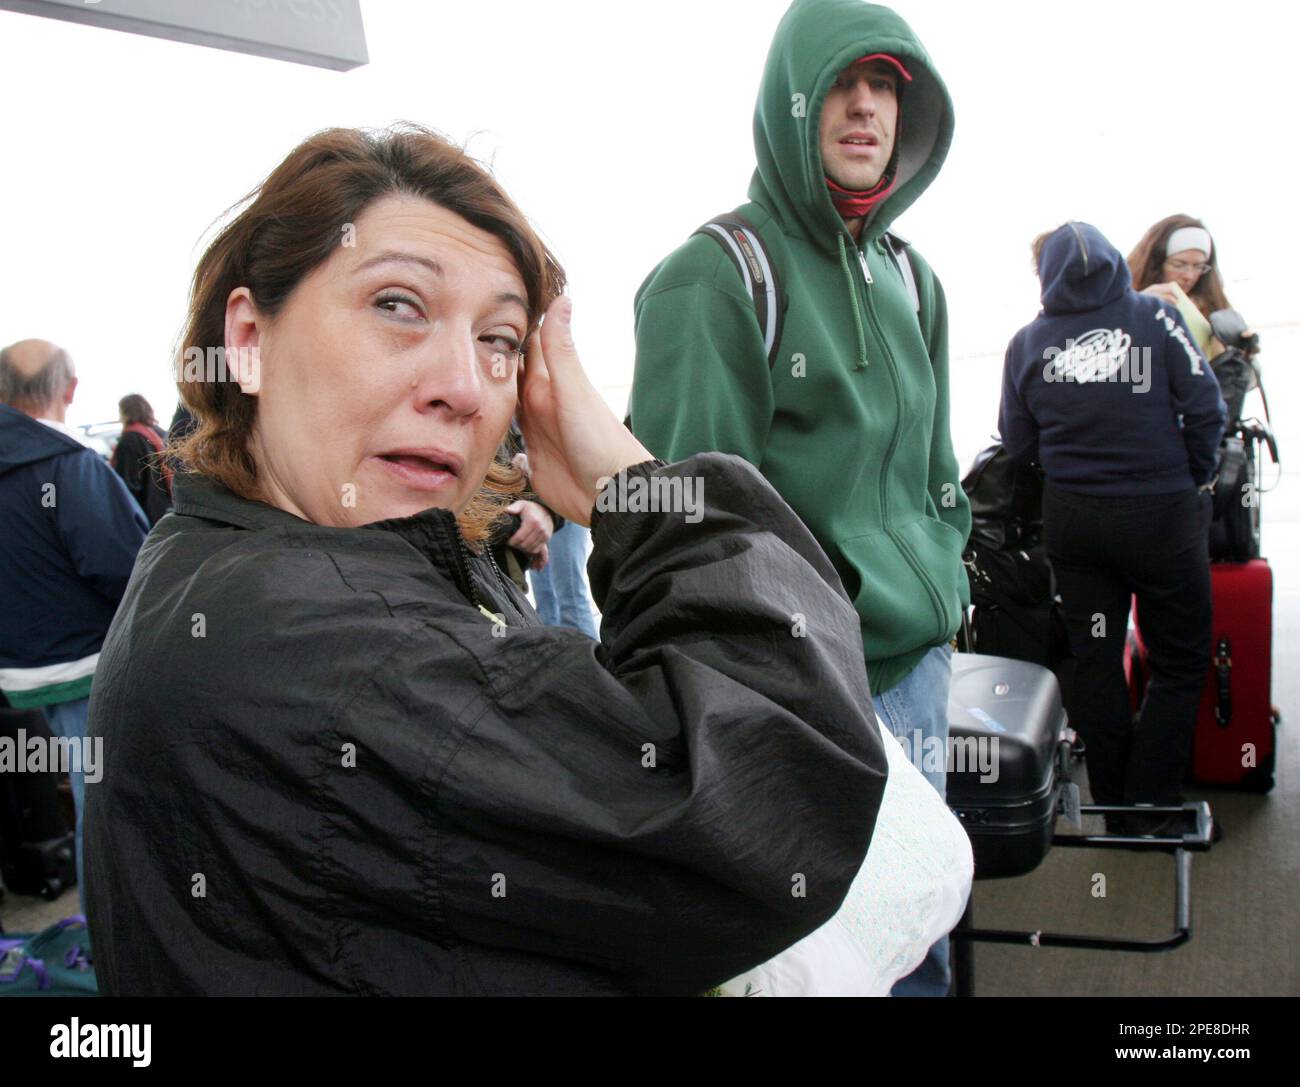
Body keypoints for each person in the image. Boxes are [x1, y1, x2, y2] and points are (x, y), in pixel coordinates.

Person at [84, 124, 892, 996]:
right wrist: (632, 482)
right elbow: (775, 801)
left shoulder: (235, 556)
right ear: (248, 338)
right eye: (397, 305)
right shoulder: (322, 643)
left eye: (500, 340)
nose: (463, 388)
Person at [627, 0, 970, 996]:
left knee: (919, 929)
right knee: (827, 957)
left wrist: (946, 567)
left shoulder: (915, 277)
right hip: (807, 688)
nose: (864, 109)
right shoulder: (715, 278)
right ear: (793, 102)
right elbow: (685, 532)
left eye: (885, 87)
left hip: (918, 665)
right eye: (840, 84)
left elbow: (937, 472)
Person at [999, 222, 1226, 832]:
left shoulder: (1028, 344)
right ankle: (1147, 806)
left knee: (1096, 659)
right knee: (1179, 661)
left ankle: (1112, 802)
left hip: (1077, 525)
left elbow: (1018, 444)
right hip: (1161, 518)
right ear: (1112, 265)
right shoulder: (1156, 319)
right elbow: (1207, 409)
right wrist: (1194, 477)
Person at [0, 339, 149, 911]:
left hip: (23, 671)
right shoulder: (69, 464)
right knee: (106, 811)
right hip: (88, 667)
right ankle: (106, 942)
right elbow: (124, 567)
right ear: (70, 390)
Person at [1128, 215, 1247, 359]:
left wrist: (1243, 350)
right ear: (1155, 264)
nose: (1189, 276)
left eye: (1199, 266)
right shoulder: (1128, 299)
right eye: (1179, 265)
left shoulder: (1214, 309)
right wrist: (1137, 307)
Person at [111, 393, 171, 525]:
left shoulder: (131, 439)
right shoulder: (160, 433)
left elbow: (127, 487)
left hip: (145, 517)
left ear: (125, 412)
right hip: (167, 511)